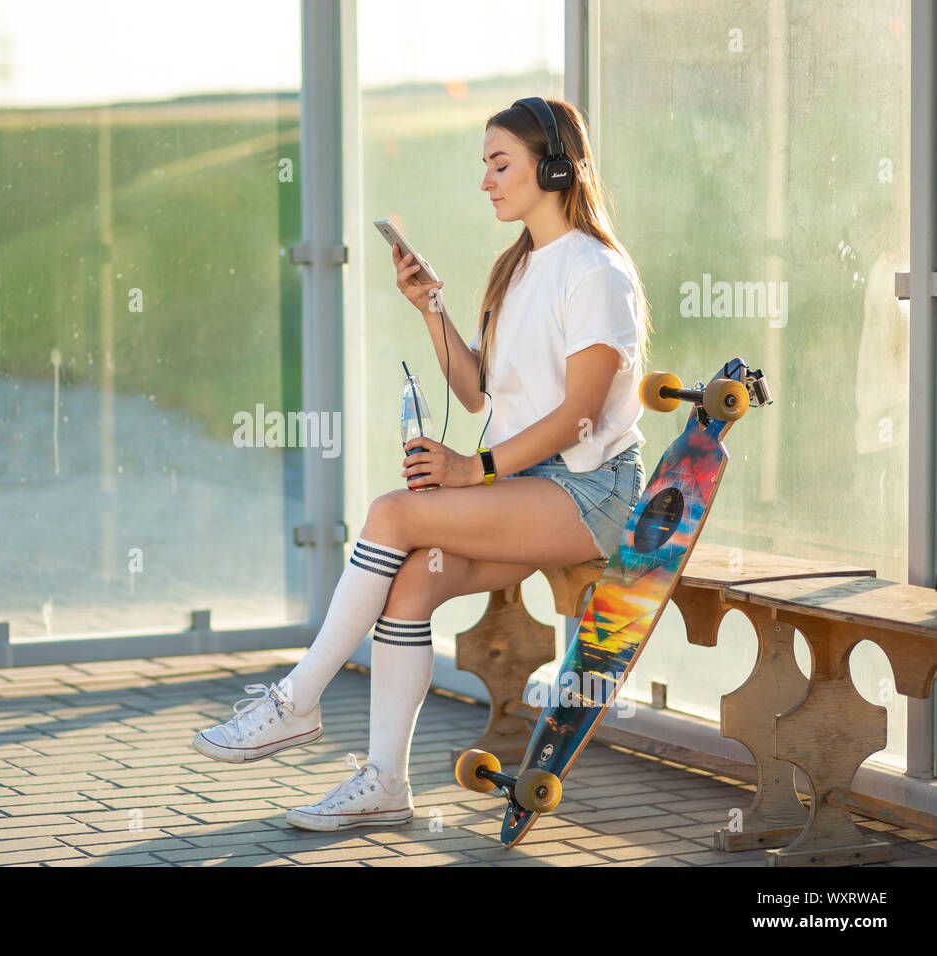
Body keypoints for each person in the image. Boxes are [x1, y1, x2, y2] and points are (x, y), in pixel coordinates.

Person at [191, 96, 652, 831]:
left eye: (501, 164)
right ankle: (384, 782)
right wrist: (430, 307)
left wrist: (476, 472)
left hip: (590, 493)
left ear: (557, 165)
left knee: (391, 512)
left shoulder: (596, 272)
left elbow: (579, 416)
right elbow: (476, 395)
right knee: (408, 582)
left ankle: (296, 701)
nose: (487, 182)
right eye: (485, 166)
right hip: (526, 488)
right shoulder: (519, 268)